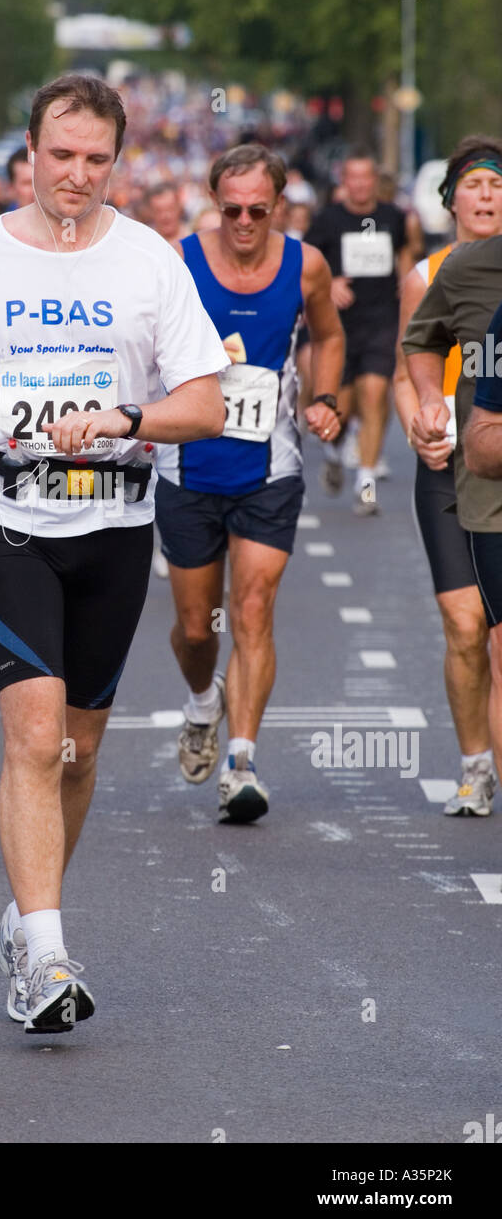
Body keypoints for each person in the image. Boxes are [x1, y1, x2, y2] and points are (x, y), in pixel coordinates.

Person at [0, 72, 228, 1032]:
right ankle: (47, 958)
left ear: (117, 162)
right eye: (61, 155)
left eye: (96, 158)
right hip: (5, 525)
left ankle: (22, 917)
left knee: (78, 754)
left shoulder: (150, 262)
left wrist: (129, 415)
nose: (77, 175)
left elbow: (205, 404)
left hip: (115, 530)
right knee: (35, 737)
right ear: (30, 156)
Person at [155, 144, 344, 811]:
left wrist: (323, 397)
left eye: (257, 210)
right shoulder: (176, 262)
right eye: (230, 208)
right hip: (188, 466)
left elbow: (327, 335)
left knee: (254, 610)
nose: (242, 221)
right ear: (213, 202)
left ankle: (242, 762)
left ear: (279, 206)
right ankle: (203, 702)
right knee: (199, 628)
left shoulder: (306, 265)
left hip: (271, 467)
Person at [394, 138, 502, 815]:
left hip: (496, 468)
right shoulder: (437, 271)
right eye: (476, 186)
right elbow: (413, 357)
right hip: (448, 461)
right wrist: (422, 415)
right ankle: (474, 763)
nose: (488, 196)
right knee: (465, 624)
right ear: (452, 200)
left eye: (498, 185)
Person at [305, 150, 412, 514]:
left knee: (375, 393)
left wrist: (408, 284)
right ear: (345, 181)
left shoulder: (393, 217)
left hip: (381, 320)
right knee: (343, 408)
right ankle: (334, 454)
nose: (361, 184)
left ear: (374, 180)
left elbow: (406, 256)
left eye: (367, 177)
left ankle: (365, 487)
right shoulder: (327, 219)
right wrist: (330, 282)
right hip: (338, 326)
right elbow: (306, 262)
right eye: (354, 177)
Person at [140, 181, 185, 250]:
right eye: (159, 211)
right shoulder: (144, 242)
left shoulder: (194, 236)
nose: (165, 216)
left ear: (179, 207)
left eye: (170, 209)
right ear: (150, 211)